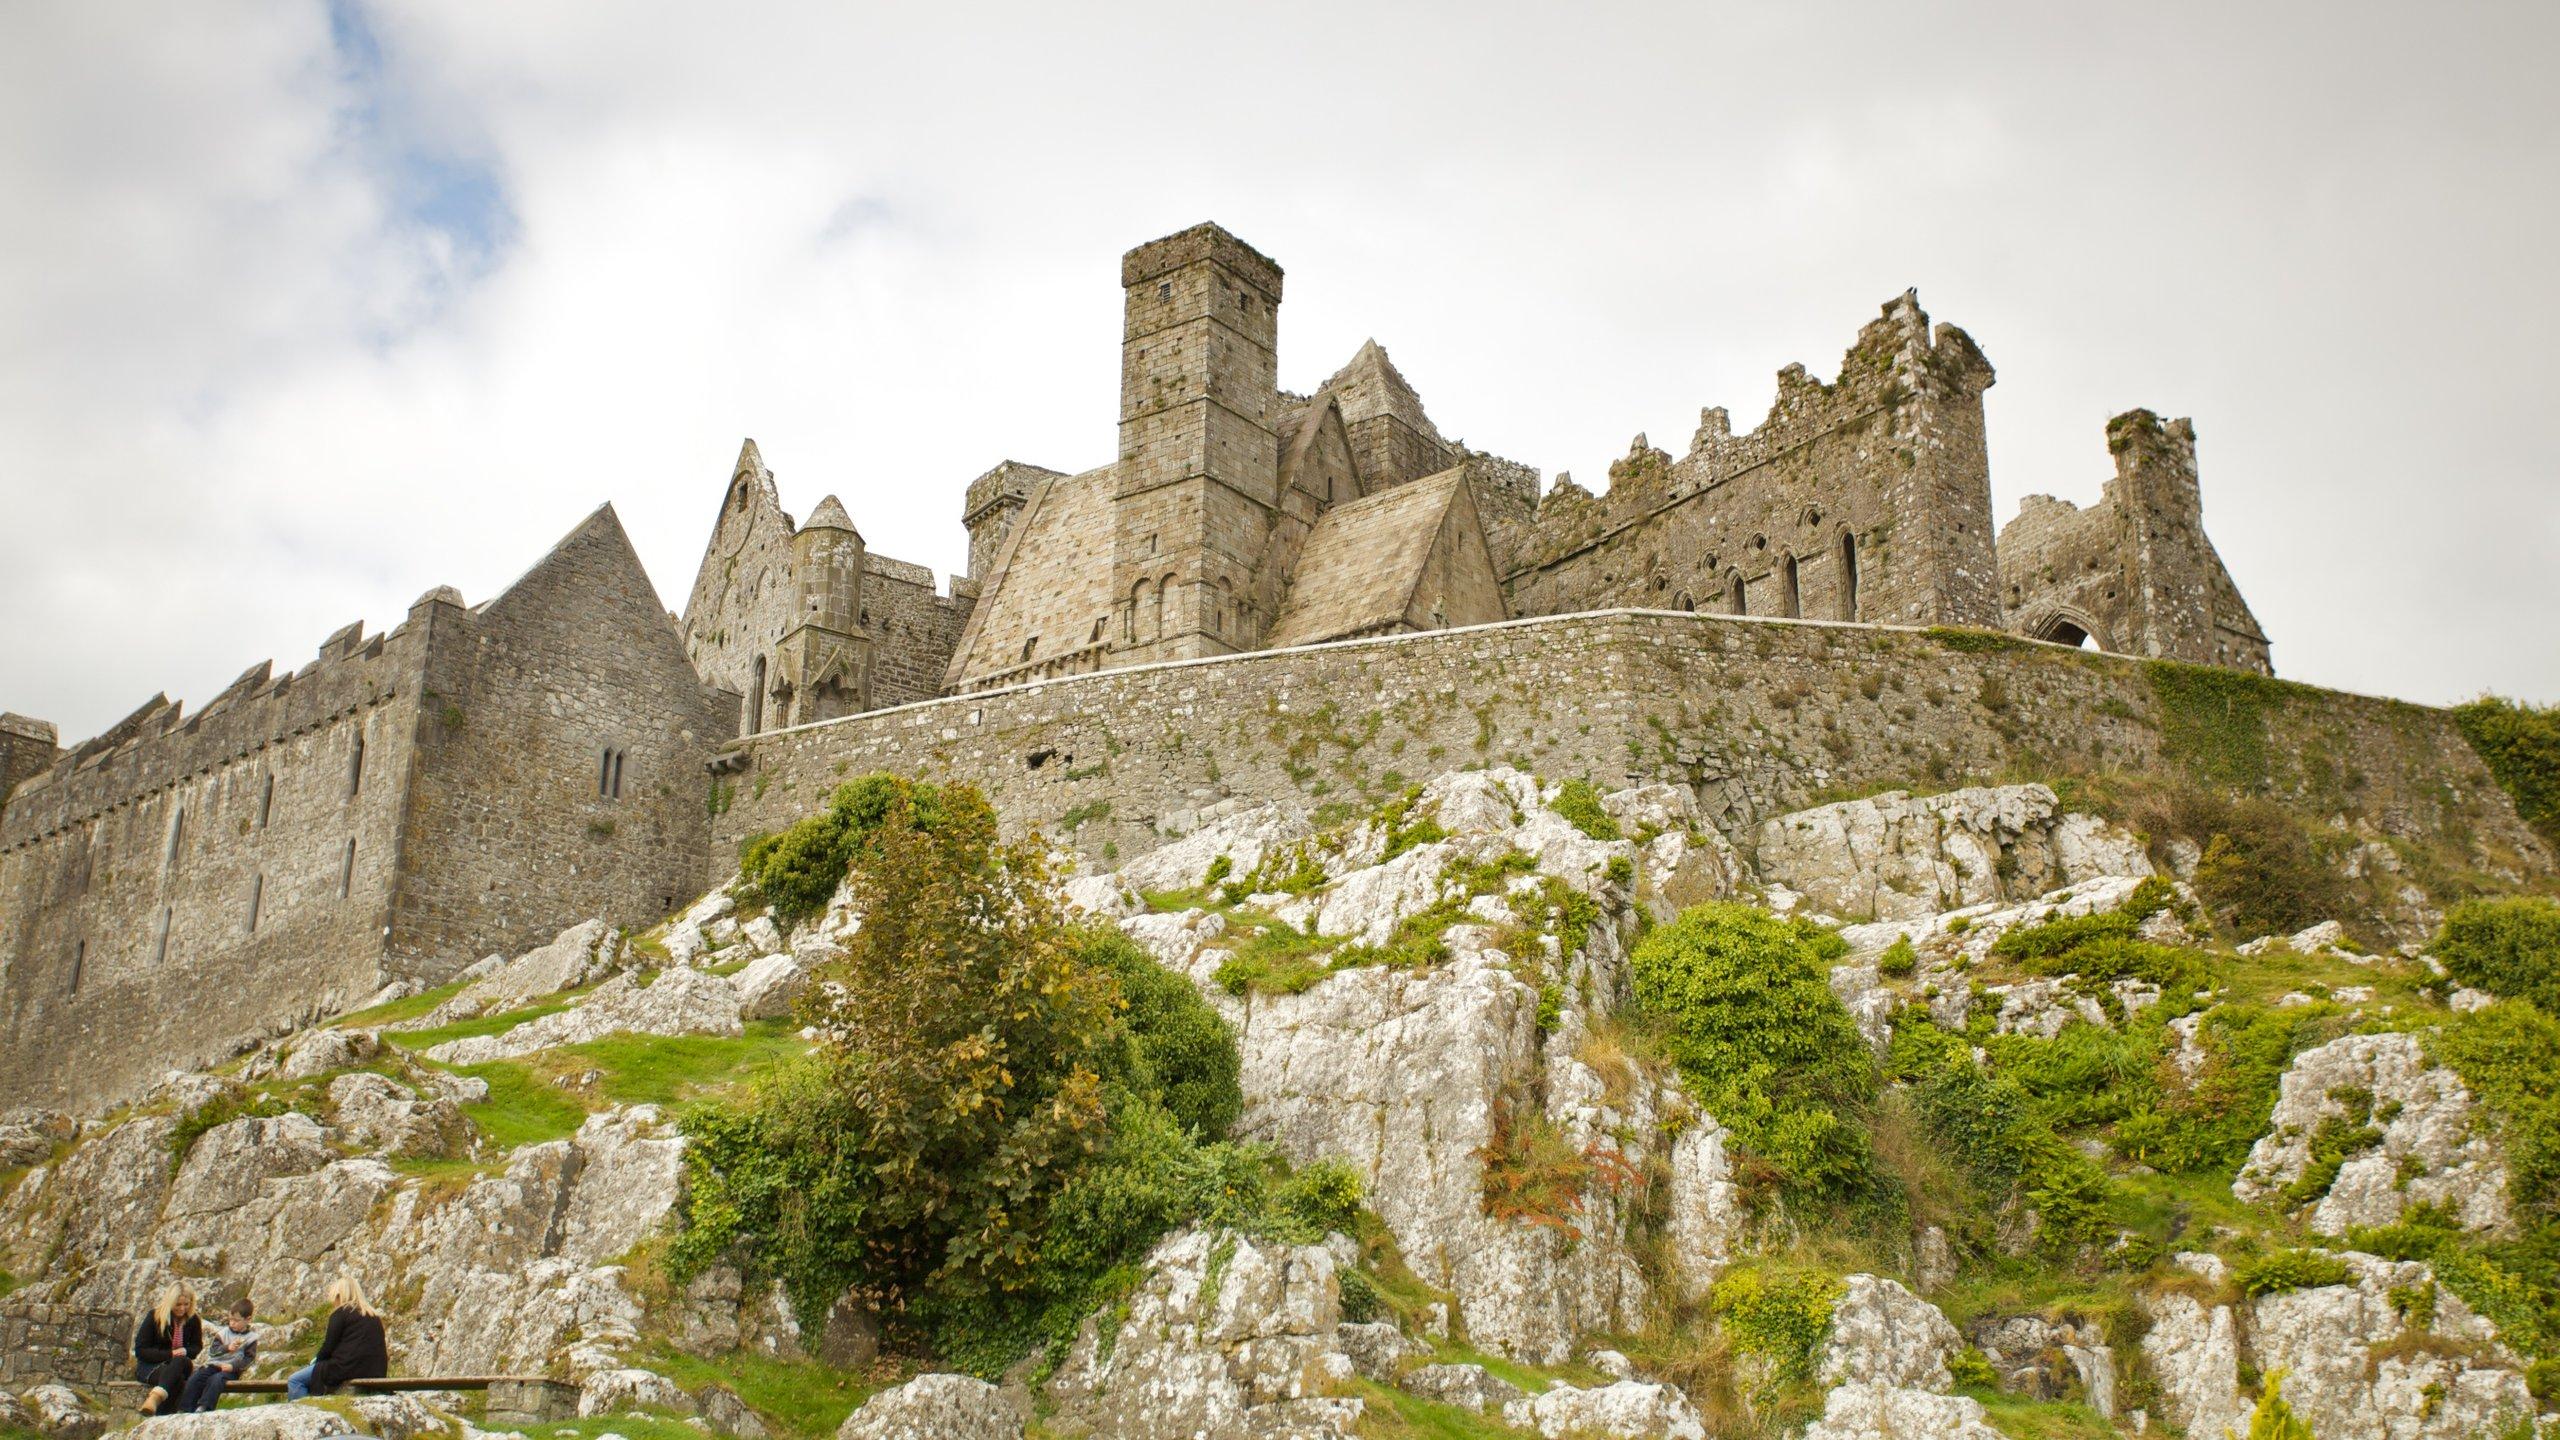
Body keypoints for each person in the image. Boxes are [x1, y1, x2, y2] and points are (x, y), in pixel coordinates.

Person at [286, 1275, 386, 1400]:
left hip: (346, 1367)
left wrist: (316, 1363)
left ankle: (304, 1413)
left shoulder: (340, 1313)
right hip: (374, 1370)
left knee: (295, 1380)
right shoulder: (374, 1316)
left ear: (339, 1295)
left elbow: (328, 1347)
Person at [176, 1298, 257, 1413]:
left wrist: (233, 1367)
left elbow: (249, 1358)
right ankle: (185, 1407)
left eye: (236, 1321)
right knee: (197, 1377)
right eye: (230, 1320)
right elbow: (213, 1351)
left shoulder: (251, 1338)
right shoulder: (223, 1333)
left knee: (216, 1379)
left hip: (229, 1370)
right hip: (214, 1365)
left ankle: (204, 1406)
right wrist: (227, 1348)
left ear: (248, 1319)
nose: (232, 1323)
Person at [131, 1284, 201, 1416]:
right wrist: (170, 1354)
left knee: (181, 1361)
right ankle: (166, 1416)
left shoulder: (193, 1319)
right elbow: (141, 1350)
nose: (182, 1309)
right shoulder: (154, 1316)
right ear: (170, 1302)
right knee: (177, 1379)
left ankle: (155, 1398)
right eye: (178, 1304)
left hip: (182, 1363)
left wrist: (185, 1351)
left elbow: (196, 1347)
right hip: (151, 1366)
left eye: (186, 1304)